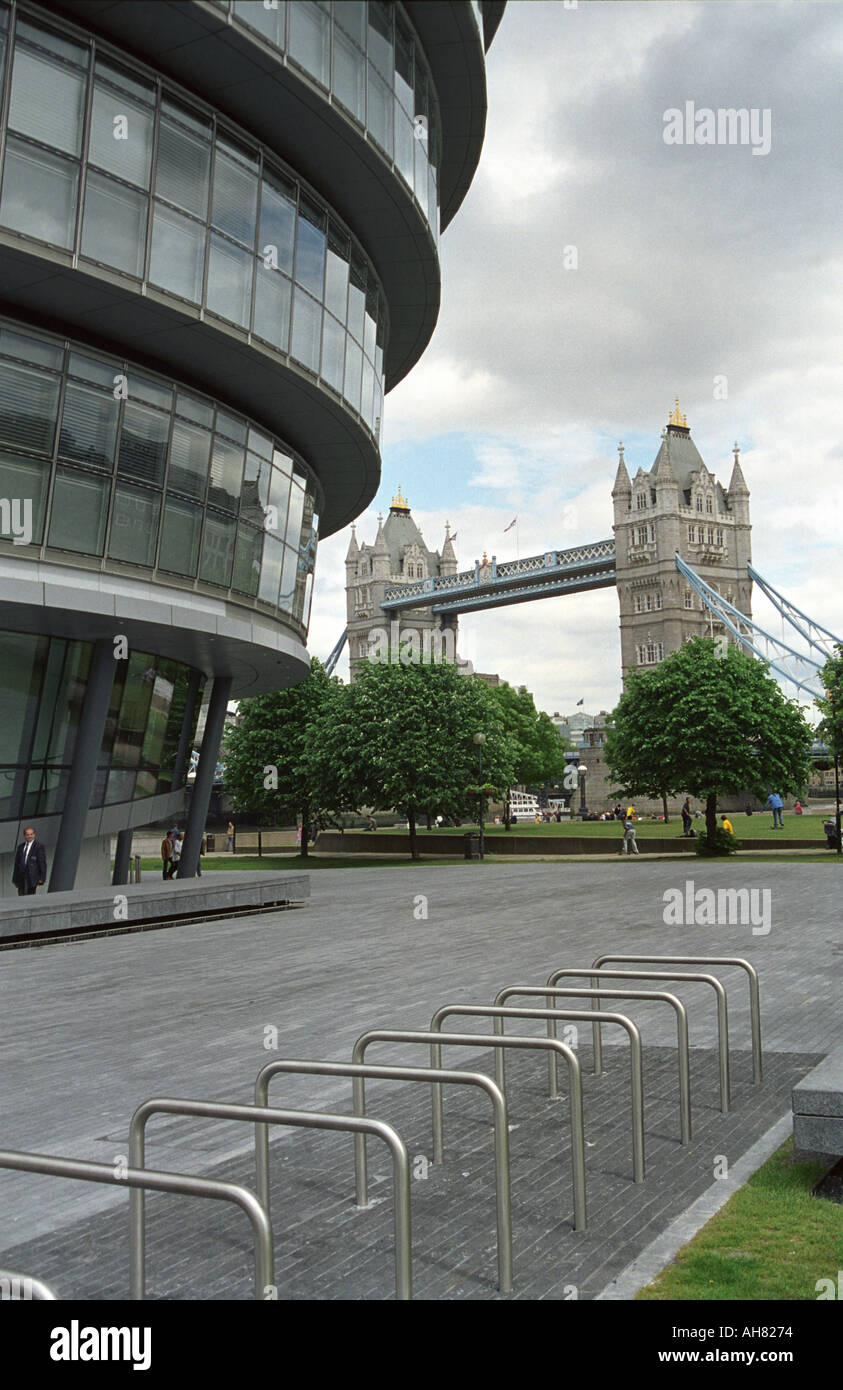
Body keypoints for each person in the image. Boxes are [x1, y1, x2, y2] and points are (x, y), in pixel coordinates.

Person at [12, 826, 47, 895]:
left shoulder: (39, 846)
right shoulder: (20, 847)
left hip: (32, 876)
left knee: (30, 895)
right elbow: (17, 864)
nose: (30, 836)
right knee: (21, 894)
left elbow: (42, 863)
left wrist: (42, 878)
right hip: (21, 876)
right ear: (25, 836)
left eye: (31, 834)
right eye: (27, 835)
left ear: (34, 835)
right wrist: (14, 879)